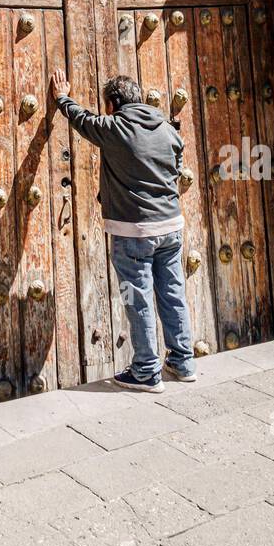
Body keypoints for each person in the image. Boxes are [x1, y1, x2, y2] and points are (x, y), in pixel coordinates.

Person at [49, 67, 196, 392]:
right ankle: (183, 362)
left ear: (114, 104)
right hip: (171, 228)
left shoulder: (116, 128)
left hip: (134, 233)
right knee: (172, 292)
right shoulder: (166, 128)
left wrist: (61, 97)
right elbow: (179, 156)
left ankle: (146, 370)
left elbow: (82, 120)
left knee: (137, 297)